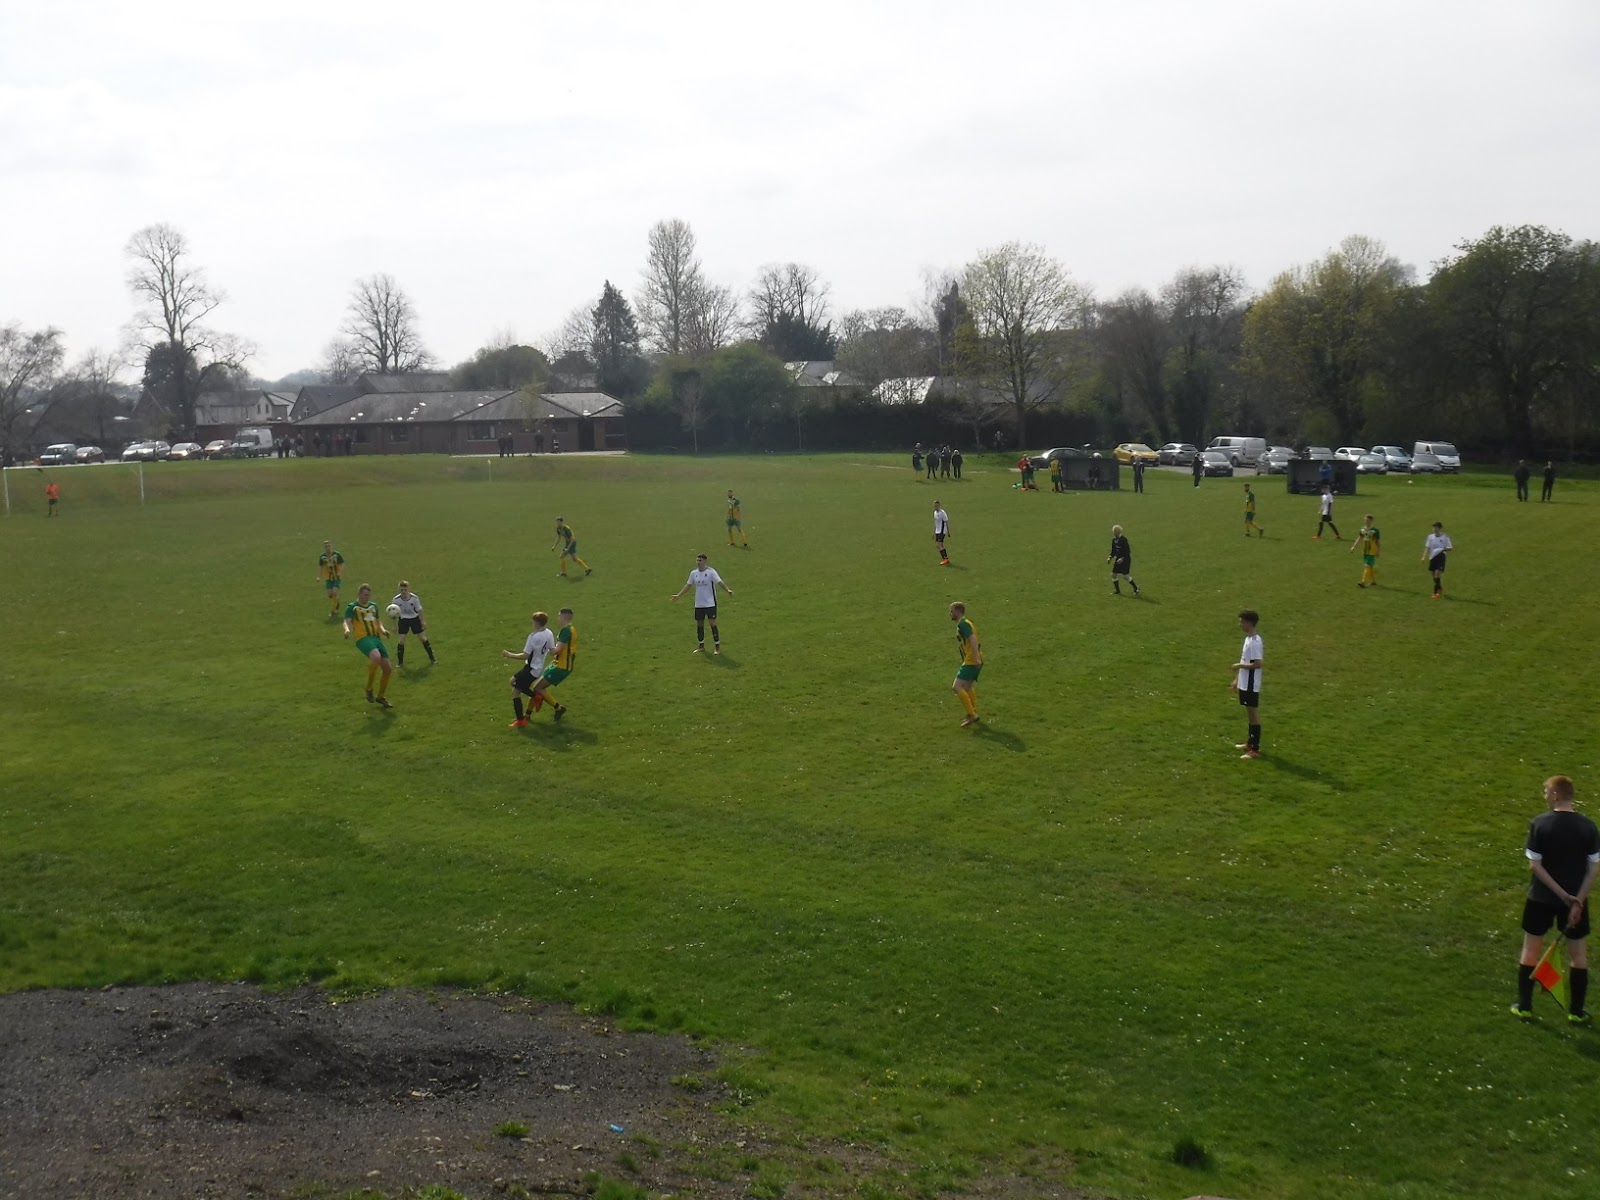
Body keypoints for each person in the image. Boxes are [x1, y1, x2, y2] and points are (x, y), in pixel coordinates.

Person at [1512, 775, 1600, 1023]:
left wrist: (1561, 894)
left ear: (1555, 795)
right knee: (1578, 955)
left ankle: (1525, 1006)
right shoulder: (1588, 827)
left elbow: (1535, 866)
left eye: (1545, 792)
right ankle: (1576, 1011)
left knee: (1530, 949)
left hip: (1540, 897)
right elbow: (1594, 869)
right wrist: (1577, 900)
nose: (1544, 797)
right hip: (1576, 903)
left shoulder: (1540, 823)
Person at [669, 553, 735, 653]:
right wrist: (678, 596)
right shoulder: (693, 573)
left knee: (712, 623)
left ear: (705, 561)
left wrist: (728, 590)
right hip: (699, 604)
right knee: (699, 624)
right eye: (697, 560)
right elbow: (688, 586)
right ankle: (701, 646)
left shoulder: (711, 572)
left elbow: (719, 582)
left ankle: (717, 646)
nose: (698, 562)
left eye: (700, 561)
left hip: (710, 603)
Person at [342, 584, 393, 708]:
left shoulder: (373, 606)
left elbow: (378, 622)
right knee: (376, 657)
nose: (367, 597)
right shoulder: (352, 607)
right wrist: (347, 630)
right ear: (359, 594)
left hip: (376, 638)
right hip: (363, 638)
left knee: (388, 669)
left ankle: (380, 696)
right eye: (365, 595)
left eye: (368, 595)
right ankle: (369, 688)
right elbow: (346, 621)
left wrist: (383, 630)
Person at [501, 610, 555, 727]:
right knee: (513, 681)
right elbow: (552, 650)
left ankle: (521, 720)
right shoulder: (549, 633)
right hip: (538, 668)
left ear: (537, 623)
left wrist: (509, 655)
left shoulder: (533, 637)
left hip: (531, 668)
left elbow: (525, 655)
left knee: (515, 692)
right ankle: (536, 697)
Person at [526, 607, 575, 720]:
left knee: (538, 688)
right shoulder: (571, 629)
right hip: (559, 664)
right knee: (536, 688)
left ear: (564, 617)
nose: (558, 618)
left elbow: (555, 651)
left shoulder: (566, 631)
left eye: (559, 616)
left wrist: (546, 645)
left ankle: (559, 708)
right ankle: (527, 715)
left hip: (561, 667)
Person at [1229, 609, 1263, 759]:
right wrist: (1237, 680)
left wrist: (1239, 666)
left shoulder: (1255, 642)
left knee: (1253, 714)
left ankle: (1255, 749)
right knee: (1249, 714)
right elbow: (1246, 659)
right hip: (1244, 682)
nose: (1240, 624)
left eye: (1242, 622)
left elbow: (1258, 664)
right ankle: (1250, 743)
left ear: (1249, 623)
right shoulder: (1248, 639)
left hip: (1251, 684)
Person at [949, 601, 982, 728]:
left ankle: (972, 714)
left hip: (971, 661)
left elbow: (973, 640)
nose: (950, 614)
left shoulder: (963, 624)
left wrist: (975, 658)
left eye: (951, 611)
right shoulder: (967, 622)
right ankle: (972, 713)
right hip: (974, 659)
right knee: (967, 687)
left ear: (957, 611)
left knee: (956, 687)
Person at [390, 580, 437, 666]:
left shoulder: (414, 598)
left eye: (405, 590)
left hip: (414, 619)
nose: (403, 592)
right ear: (399, 590)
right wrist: (395, 626)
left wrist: (423, 621)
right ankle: (400, 663)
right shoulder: (396, 600)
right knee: (401, 640)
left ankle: (432, 658)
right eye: (401, 590)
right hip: (403, 620)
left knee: (423, 638)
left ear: (408, 589)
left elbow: (420, 610)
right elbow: (394, 614)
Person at [1421, 521, 1453, 598]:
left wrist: (1444, 549)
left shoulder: (1445, 537)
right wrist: (1423, 556)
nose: (1434, 529)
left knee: (1437, 574)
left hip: (1441, 557)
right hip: (1432, 557)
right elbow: (1427, 547)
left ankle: (1435, 593)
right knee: (1433, 576)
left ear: (1439, 528)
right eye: (1433, 527)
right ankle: (1440, 588)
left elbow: (1450, 547)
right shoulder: (1430, 537)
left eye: (1436, 527)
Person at [1349, 514, 1381, 587]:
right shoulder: (1362, 529)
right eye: (1365, 520)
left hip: (1372, 550)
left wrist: (1378, 551)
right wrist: (1353, 547)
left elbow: (1378, 542)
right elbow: (1359, 538)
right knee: (1370, 566)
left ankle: (1363, 582)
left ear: (1371, 521)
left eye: (1368, 520)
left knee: (1367, 565)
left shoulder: (1375, 531)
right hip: (1365, 550)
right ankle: (1373, 581)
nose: (1366, 521)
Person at [1108, 524, 1139, 596]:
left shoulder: (1123, 540)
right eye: (1113, 531)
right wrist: (1110, 557)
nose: (1114, 533)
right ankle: (1118, 591)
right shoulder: (1114, 540)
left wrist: (1122, 558)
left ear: (1118, 532)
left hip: (1125, 560)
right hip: (1118, 560)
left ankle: (1136, 588)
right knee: (1114, 575)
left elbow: (1127, 551)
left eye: (1115, 531)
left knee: (1125, 576)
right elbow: (1113, 551)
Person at [318, 540, 345, 617]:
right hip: (328, 578)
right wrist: (319, 576)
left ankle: (333, 611)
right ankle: (337, 601)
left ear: (332, 546)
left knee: (334, 593)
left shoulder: (337, 555)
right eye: (326, 546)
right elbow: (320, 566)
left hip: (337, 577)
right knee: (330, 595)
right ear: (324, 548)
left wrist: (340, 572)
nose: (328, 548)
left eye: (329, 546)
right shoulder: (322, 557)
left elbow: (342, 563)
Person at [932, 501, 951, 566]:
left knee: (938, 545)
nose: (935, 507)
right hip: (937, 531)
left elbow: (946, 522)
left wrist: (948, 532)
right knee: (941, 545)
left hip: (942, 531)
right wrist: (933, 532)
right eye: (934, 506)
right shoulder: (935, 513)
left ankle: (945, 559)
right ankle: (946, 558)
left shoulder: (942, 513)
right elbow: (936, 522)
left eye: (936, 506)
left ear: (939, 505)